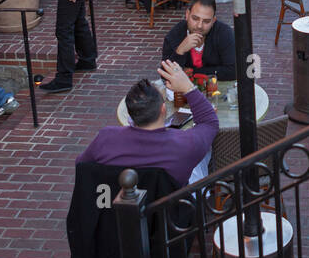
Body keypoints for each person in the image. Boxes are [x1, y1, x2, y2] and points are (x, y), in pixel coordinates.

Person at [77, 60, 219, 187]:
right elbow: (209, 122)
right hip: (168, 213)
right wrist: (188, 87)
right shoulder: (184, 144)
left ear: (131, 114)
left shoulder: (106, 138)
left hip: (117, 211)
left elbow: (83, 166)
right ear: (163, 109)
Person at [161, 0, 236, 80]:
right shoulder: (175, 34)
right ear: (187, 14)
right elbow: (164, 74)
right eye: (195, 18)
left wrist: (193, 72)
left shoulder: (224, 33)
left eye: (206, 21)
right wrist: (180, 51)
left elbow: (234, 70)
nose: (199, 26)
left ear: (213, 21)